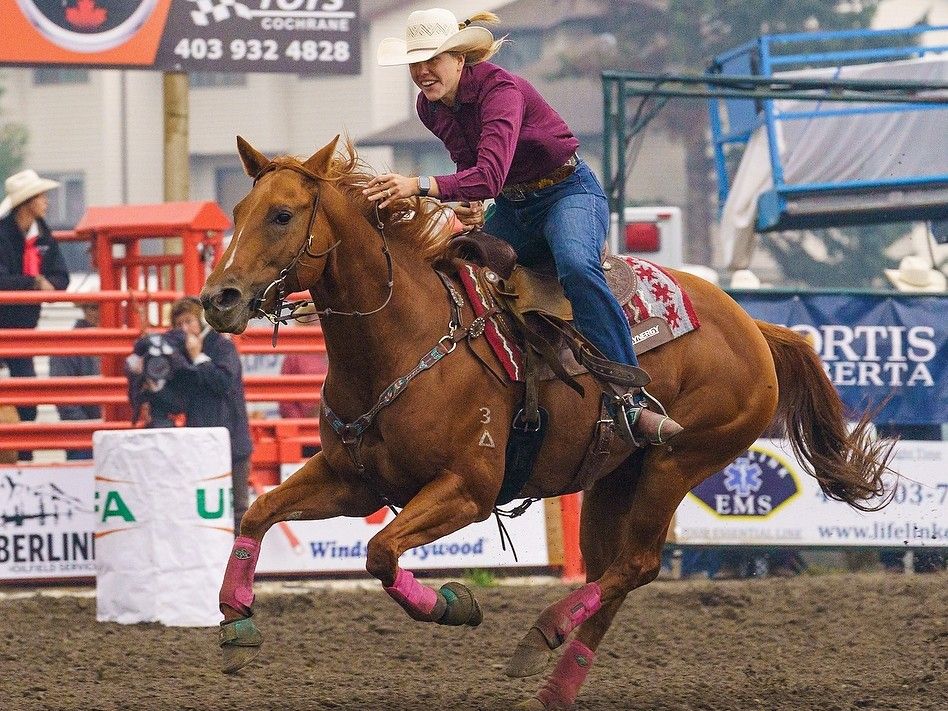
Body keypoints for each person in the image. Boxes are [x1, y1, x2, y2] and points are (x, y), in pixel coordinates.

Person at [368, 8, 682, 446]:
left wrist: (417, 184)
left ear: (459, 60)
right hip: (515, 207)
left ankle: (631, 398)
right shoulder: (430, 108)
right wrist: (471, 205)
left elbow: (489, 175)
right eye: (415, 64)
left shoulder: (502, 91)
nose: (422, 72)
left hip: (567, 193)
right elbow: (471, 167)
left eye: (432, 60)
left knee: (575, 265)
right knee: (452, 263)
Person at [126, 297, 253, 531]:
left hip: (232, 442)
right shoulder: (178, 354)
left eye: (188, 322)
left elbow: (223, 381)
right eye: (179, 325)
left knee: (238, 509)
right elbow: (179, 401)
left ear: (200, 321)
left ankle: (242, 563)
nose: (184, 329)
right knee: (207, 509)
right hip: (201, 442)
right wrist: (156, 387)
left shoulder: (222, 346)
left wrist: (197, 358)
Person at [0, 169, 70, 460]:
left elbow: (61, 277)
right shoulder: (2, 233)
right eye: (41, 196)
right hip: (8, 324)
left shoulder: (42, 233)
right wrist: (34, 283)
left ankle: (24, 456)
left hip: (24, 328)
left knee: (28, 396)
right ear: (27, 201)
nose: (46, 202)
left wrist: (45, 283)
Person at [49, 302, 102, 460]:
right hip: (83, 436)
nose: (99, 313)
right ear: (84, 310)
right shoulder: (67, 346)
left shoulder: (67, 345)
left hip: (95, 433)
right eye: (94, 307)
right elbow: (64, 397)